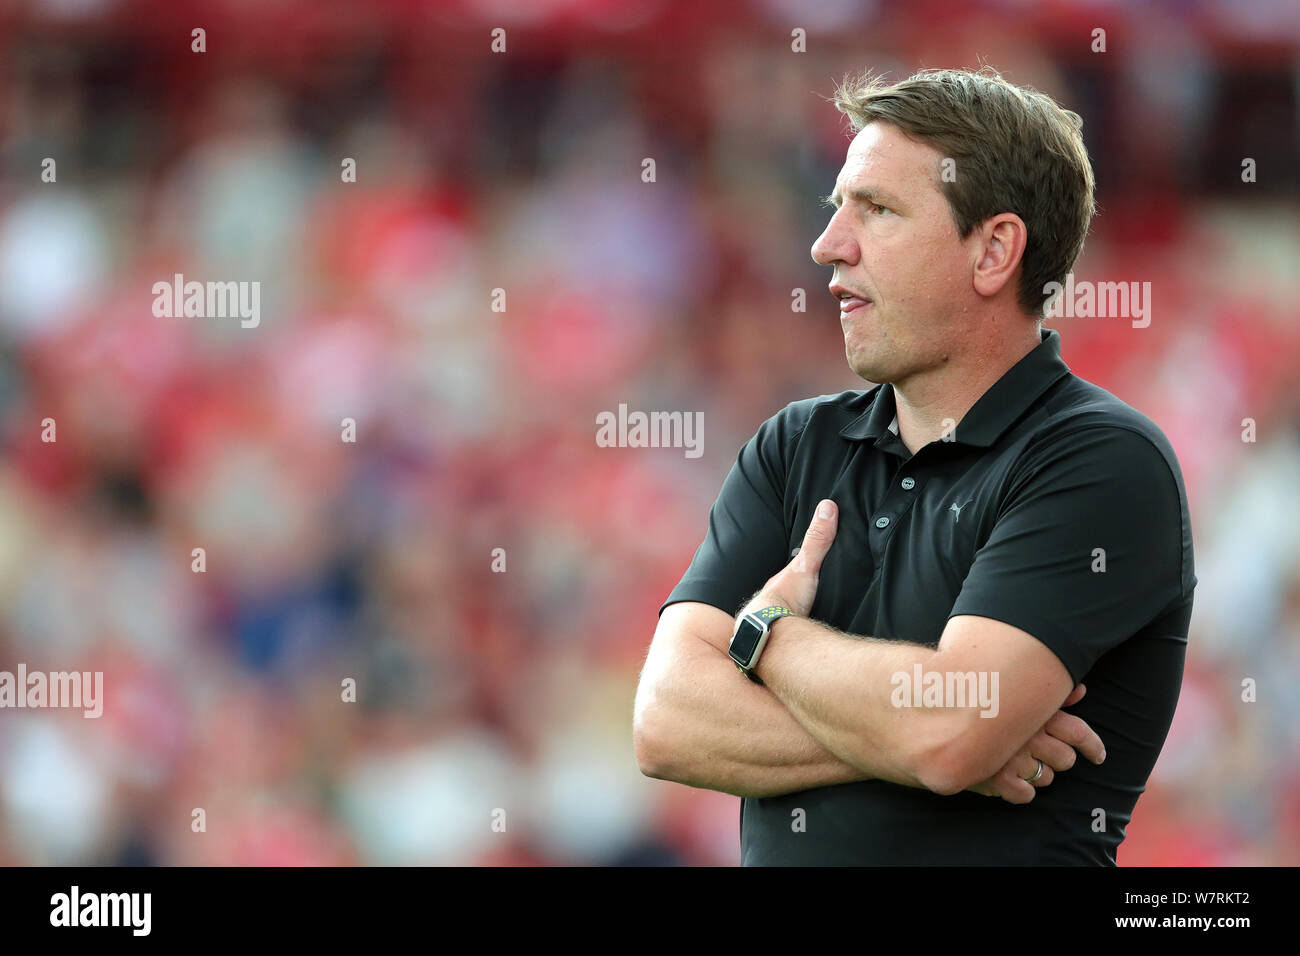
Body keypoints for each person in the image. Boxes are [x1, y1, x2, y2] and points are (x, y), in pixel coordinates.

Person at [633, 67, 1196, 865]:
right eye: (838, 210)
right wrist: (933, 742)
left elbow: (947, 732)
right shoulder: (794, 446)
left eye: (878, 211)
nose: (828, 246)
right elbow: (665, 723)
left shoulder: (1102, 458)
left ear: (995, 250)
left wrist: (766, 634)